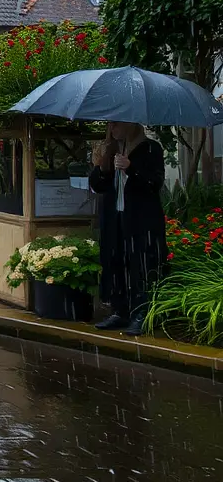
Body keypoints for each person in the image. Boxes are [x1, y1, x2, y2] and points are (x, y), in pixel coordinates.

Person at [88, 122, 167, 335]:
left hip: (141, 219)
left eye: (117, 124)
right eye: (110, 124)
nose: (112, 128)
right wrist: (103, 167)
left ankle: (142, 312)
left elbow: (154, 183)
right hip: (115, 218)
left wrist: (131, 168)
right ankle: (119, 310)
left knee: (140, 263)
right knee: (116, 261)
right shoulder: (110, 151)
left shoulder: (150, 148)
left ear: (130, 125)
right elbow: (97, 185)